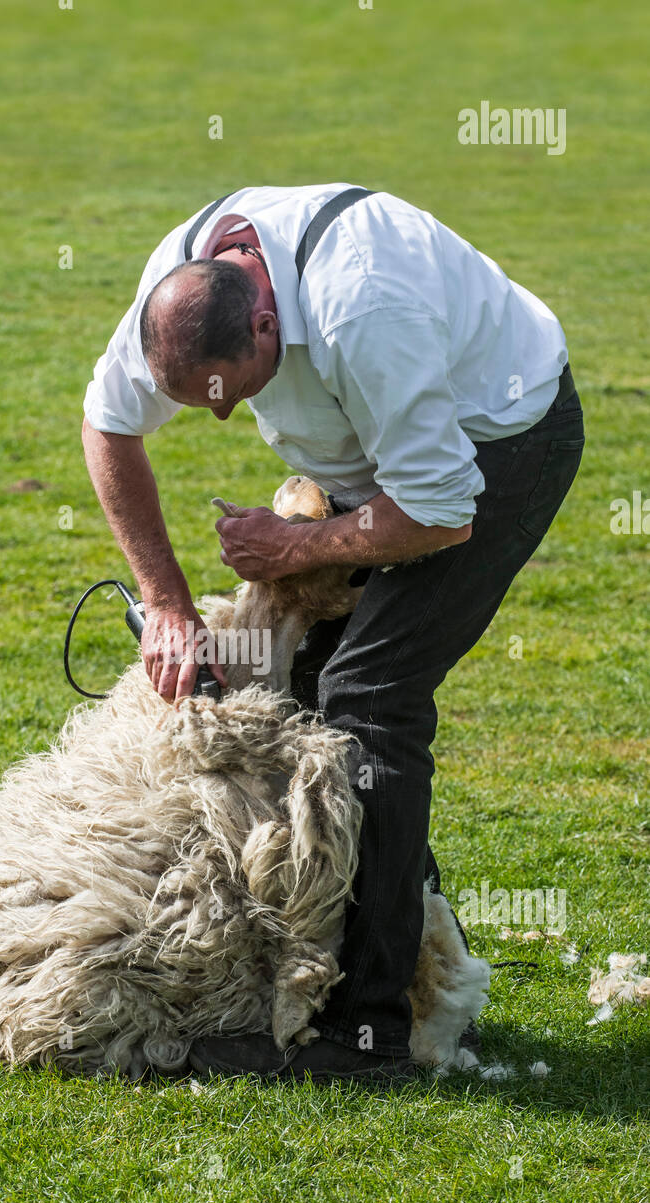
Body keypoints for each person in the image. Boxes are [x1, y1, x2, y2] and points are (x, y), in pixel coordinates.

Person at [81, 183, 583, 1081]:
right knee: (306, 700)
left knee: (368, 698)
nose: (226, 417)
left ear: (267, 325)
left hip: (493, 448)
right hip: (373, 455)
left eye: (233, 393)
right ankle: (416, 961)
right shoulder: (178, 283)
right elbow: (108, 429)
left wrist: (291, 544)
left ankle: (372, 1032)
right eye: (201, 403)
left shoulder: (365, 305)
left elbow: (437, 514)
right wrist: (165, 603)